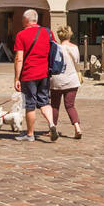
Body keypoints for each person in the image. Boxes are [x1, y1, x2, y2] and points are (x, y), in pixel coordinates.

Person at [13, 9, 58, 142]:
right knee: (44, 102)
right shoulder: (48, 32)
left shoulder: (21, 35)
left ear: (26, 20)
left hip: (29, 74)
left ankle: (30, 134)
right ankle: (51, 124)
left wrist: (16, 78)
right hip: (44, 73)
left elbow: (19, 58)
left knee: (30, 105)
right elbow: (54, 49)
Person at [51, 25, 84, 139]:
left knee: (55, 106)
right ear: (70, 35)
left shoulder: (56, 48)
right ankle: (77, 127)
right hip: (71, 79)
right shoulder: (74, 48)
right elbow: (77, 63)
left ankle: (52, 127)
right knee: (70, 106)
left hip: (57, 80)